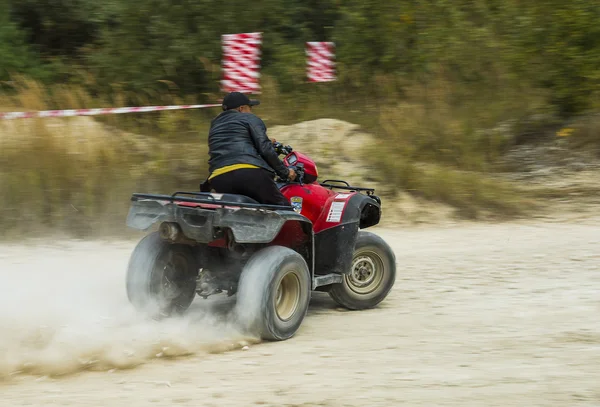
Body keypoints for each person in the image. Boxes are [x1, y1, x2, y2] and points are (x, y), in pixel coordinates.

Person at [200, 91, 296, 206]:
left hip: (218, 179)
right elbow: (265, 149)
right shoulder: (249, 118)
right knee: (284, 210)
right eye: (250, 108)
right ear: (241, 108)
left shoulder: (215, 124)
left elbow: (231, 142)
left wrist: (266, 141)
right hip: (248, 173)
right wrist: (285, 172)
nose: (251, 111)